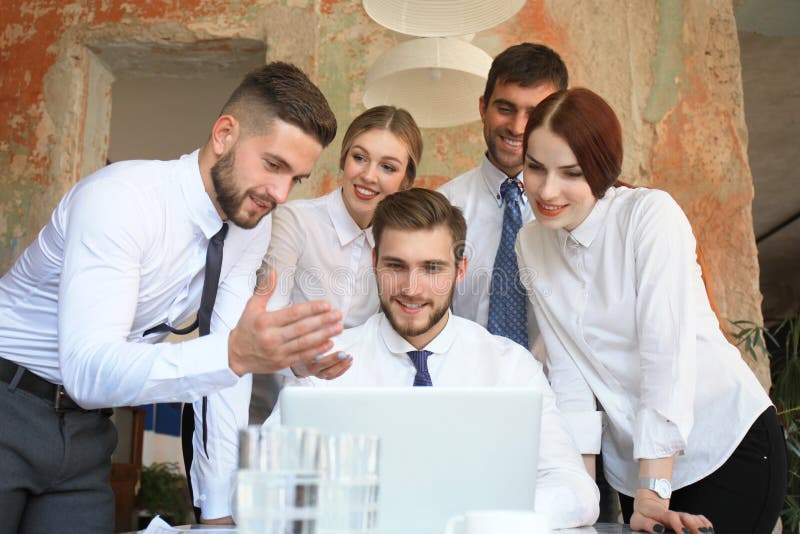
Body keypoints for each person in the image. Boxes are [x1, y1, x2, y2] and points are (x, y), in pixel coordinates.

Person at [0, 62, 344, 533]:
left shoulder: (249, 228)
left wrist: (218, 513)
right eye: (273, 165)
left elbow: (228, 371)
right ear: (224, 134)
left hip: (86, 432)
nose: (281, 194)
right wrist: (233, 354)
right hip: (10, 404)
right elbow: (87, 370)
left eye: (297, 179)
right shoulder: (121, 199)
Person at [515, 87, 787, 534]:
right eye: (535, 167)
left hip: (723, 448)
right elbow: (570, 376)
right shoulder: (531, 243)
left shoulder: (650, 216)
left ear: (602, 171)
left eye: (571, 173)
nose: (546, 190)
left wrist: (653, 493)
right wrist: (578, 500)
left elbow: (665, 358)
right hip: (636, 468)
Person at [269, 188, 600, 529]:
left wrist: (480, 518)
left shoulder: (511, 368)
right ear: (374, 262)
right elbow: (266, 481)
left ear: (460, 269)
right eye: (396, 266)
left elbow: (577, 490)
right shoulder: (325, 366)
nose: (412, 288)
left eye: (431, 268)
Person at [195, 106, 423, 523]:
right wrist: (301, 358)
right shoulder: (294, 221)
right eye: (359, 157)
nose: (369, 176)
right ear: (343, 159)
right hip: (265, 419)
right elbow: (267, 314)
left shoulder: (400, 249)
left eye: (388, 167)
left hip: (347, 434)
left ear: (407, 181)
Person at [438, 42, 567, 347]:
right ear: (483, 108)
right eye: (505, 109)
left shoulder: (575, 211)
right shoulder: (443, 207)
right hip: (465, 372)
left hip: (556, 376)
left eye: (534, 114)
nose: (517, 127)